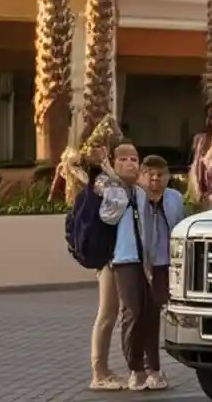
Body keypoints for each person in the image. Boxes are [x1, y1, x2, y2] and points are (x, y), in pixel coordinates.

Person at [102, 153, 186, 391]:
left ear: (168, 177)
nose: (155, 180)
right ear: (141, 176)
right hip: (129, 259)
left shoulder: (174, 199)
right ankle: (135, 368)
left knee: (152, 314)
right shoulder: (129, 194)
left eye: (161, 175)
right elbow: (107, 213)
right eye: (149, 174)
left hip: (161, 262)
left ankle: (154, 369)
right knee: (133, 313)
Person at [88, 139, 140, 392]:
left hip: (127, 259)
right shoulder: (106, 183)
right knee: (107, 313)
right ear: (112, 161)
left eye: (134, 159)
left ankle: (106, 369)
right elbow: (109, 214)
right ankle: (99, 373)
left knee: (120, 312)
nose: (130, 163)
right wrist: (119, 185)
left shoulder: (132, 187)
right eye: (124, 159)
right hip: (110, 259)